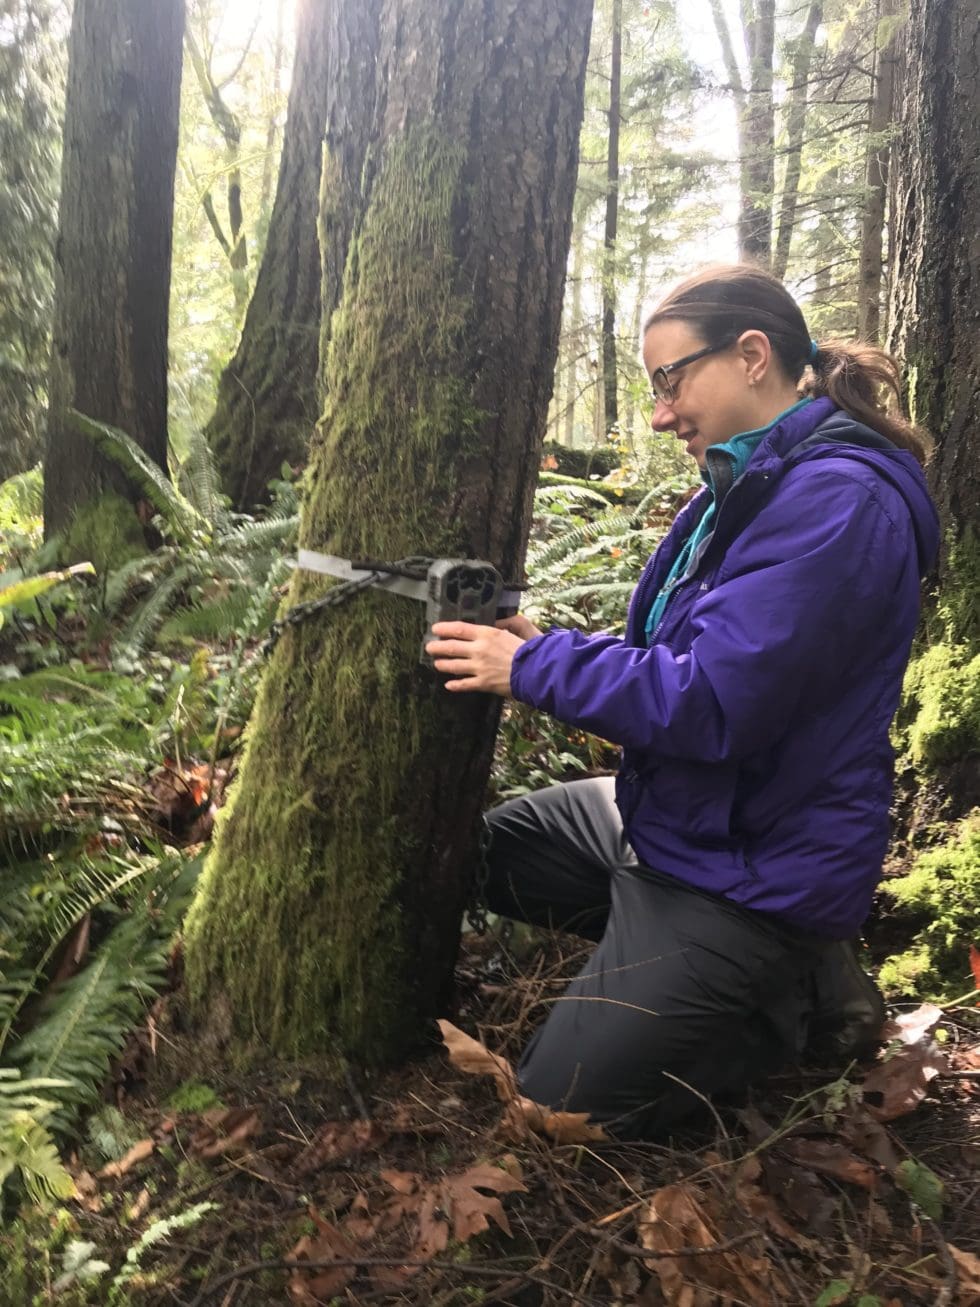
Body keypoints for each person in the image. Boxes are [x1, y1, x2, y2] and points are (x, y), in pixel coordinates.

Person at [426, 264, 939, 1139]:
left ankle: (783, 999)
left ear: (751, 355)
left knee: (551, 1106)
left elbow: (710, 701)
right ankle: (717, 967)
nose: (662, 413)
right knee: (470, 860)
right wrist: (545, 645)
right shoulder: (749, 481)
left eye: (671, 380)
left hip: (751, 869)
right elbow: (679, 653)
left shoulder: (838, 502)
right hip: (680, 819)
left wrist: (535, 670)